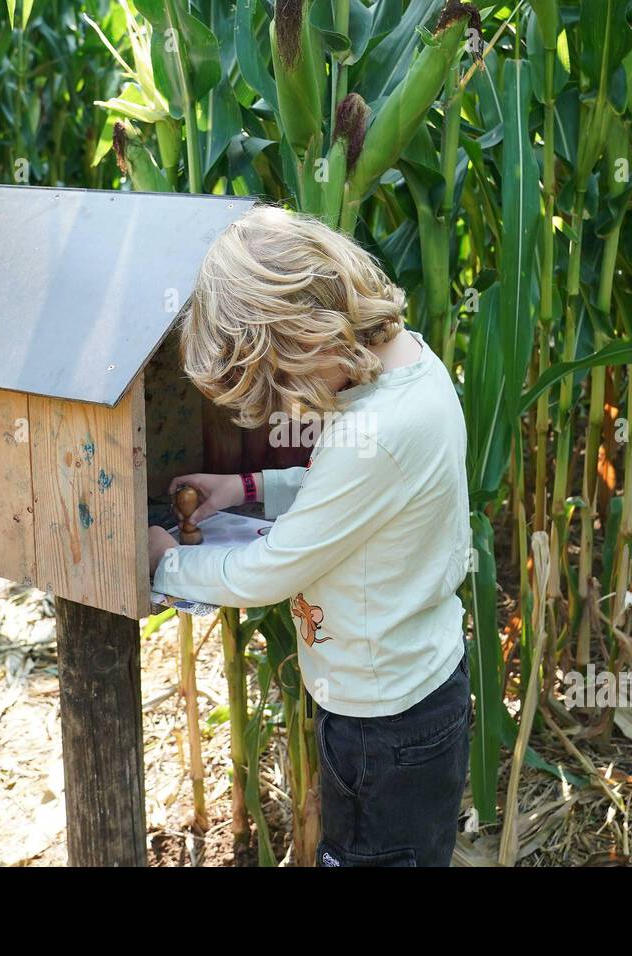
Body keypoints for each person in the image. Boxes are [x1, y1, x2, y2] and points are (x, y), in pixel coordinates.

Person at [148, 204, 472, 867]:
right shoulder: (409, 369)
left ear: (305, 337)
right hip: (410, 696)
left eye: (284, 382)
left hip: (382, 726)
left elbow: (268, 571)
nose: (290, 406)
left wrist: (166, 563)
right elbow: (357, 497)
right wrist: (246, 489)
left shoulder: (375, 433)